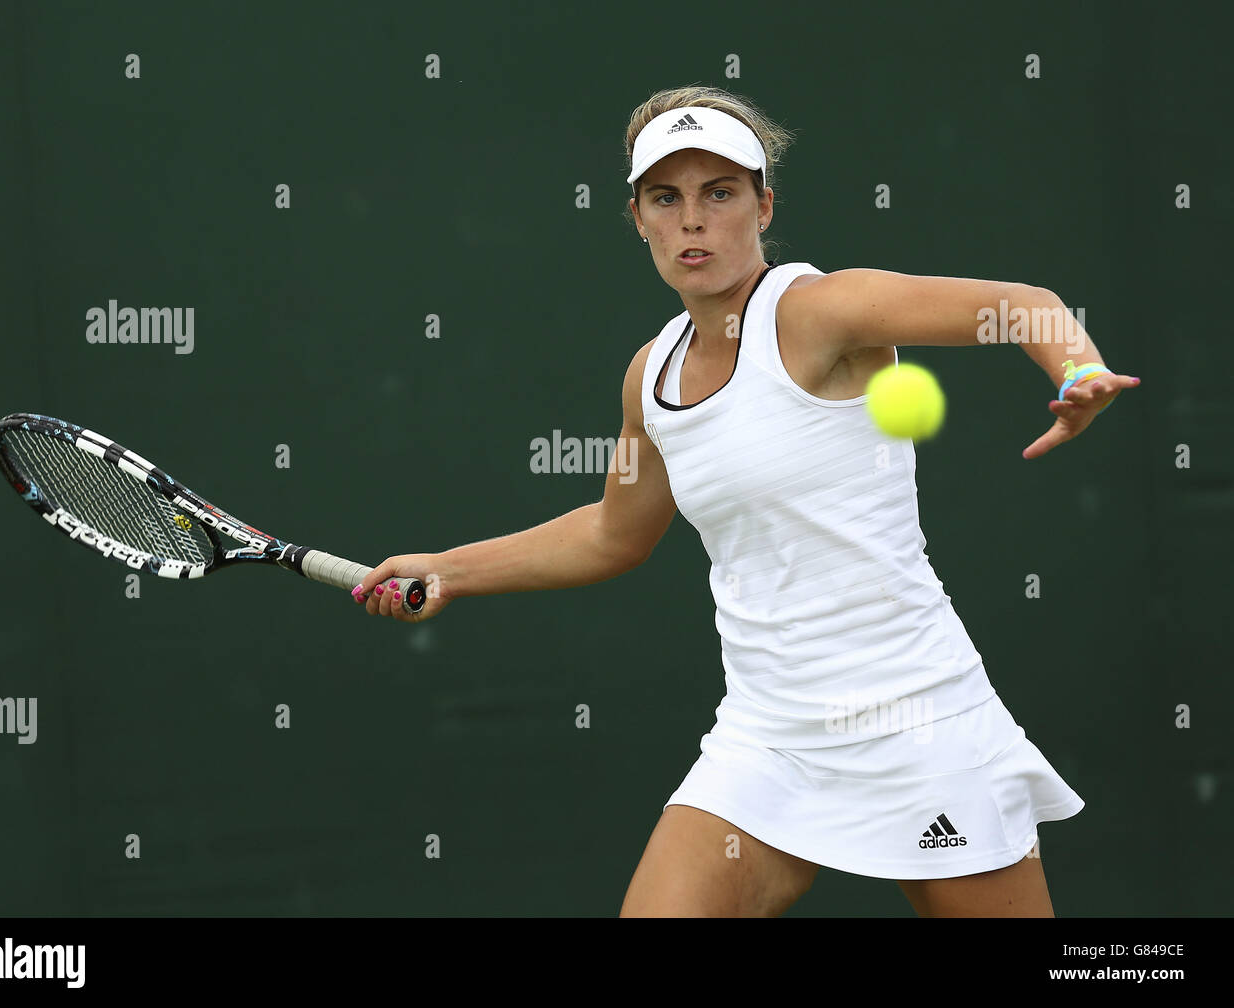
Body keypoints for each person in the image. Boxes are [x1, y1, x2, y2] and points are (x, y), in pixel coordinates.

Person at [350, 85, 1140, 917]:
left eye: (719, 193)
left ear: (763, 205)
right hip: (769, 737)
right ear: (639, 218)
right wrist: (450, 569)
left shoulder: (821, 311)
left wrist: (1078, 372)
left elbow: (1022, 307)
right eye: (668, 198)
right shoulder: (649, 379)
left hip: (919, 722)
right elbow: (613, 534)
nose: (694, 220)